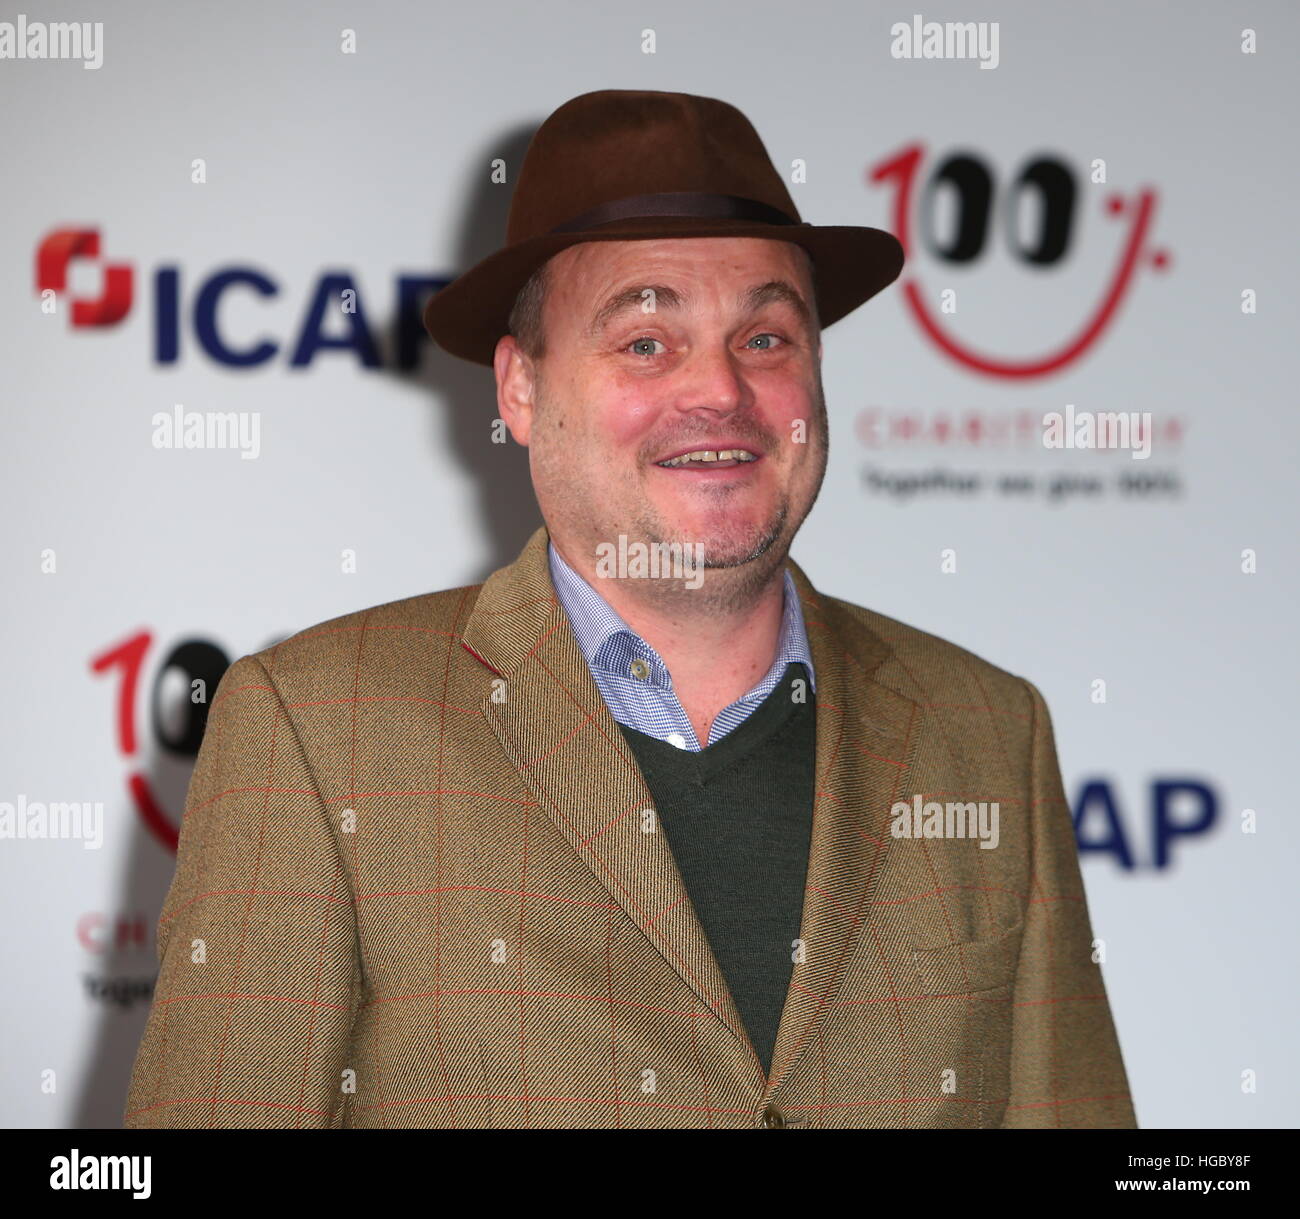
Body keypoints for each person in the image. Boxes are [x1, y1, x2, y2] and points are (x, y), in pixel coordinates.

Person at [124, 89, 1135, 1129]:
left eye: (768, 337)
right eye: (646, 341)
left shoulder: (985, 730)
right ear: (519, 390)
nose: (722, 394)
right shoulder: (317, 732)